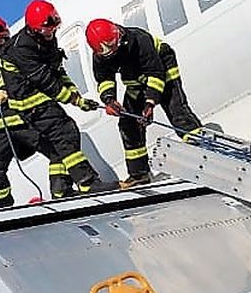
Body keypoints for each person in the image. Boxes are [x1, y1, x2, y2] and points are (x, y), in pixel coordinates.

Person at [0, 0, 112, 195]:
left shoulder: (48, 39)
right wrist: (75, 101)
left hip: (41, 98)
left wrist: (76, 93)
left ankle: (60, 189)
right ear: (34, 29)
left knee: (59, 142)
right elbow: (46, 81)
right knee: (65, 133)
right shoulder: (21, 49)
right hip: (28, 102)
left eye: (54, 27)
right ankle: (87, 182)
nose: (51, 32)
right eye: (46, 29)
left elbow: (58, 71)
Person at [0, 16, 72, 207]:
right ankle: (3, 209)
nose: (1, 43)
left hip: (25, 118)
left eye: (4, 38)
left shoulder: (17, 54)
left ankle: (62, 193)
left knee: (60, 150)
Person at [86, 18, 202, 187]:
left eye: (112, 43)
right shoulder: (100, 57)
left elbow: (155, 72)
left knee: (176, 110)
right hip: (135, 79)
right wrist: (109, 100)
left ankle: (202, 149)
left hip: (162, 67)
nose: (112, 49)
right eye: (105, 48)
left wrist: (150, 104)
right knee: (128, 124)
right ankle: (139, 174)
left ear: (116, 33)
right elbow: (104, 80)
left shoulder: (138, 38)